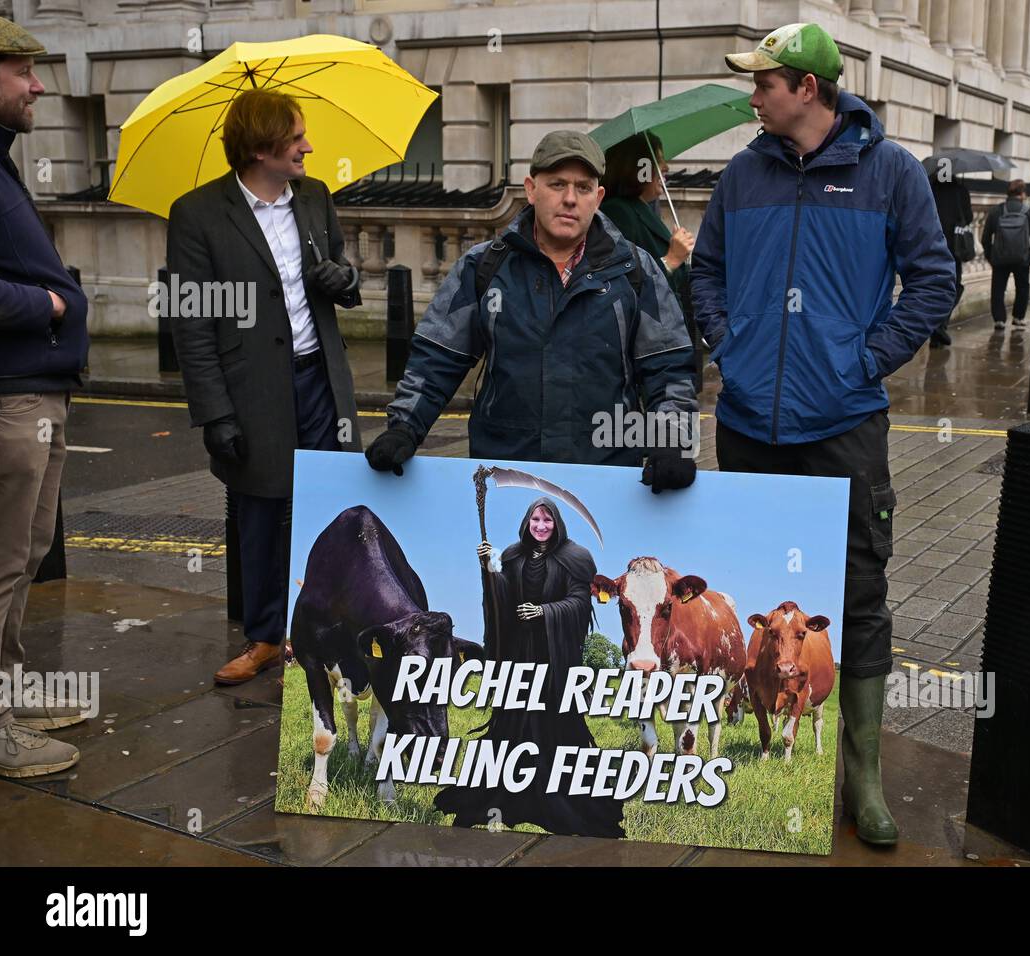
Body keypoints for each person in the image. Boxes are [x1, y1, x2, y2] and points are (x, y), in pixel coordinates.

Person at [691, 22, 957, 846]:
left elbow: (935, 278)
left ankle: (863, 777)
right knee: (760, 591)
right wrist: (726, 341)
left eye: (764, 83)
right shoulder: (743, 173)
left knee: (859, 595)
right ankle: (757, 744)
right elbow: (707, 269)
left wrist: (864, 360)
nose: (752, 96)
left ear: (807, 89)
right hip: (747, 426)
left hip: (842, 425)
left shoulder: (891, 172)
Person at [365, 131, 698, 490]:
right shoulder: (483, 267)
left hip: (605, 477)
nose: (570, 199)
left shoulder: (635, 270)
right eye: (557, 184)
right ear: (531, 189)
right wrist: (404, 427)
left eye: (583, 188)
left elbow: (668, 367)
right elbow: (437, 358)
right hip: (505, 473)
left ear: (598, 197)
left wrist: (672, 441)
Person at [167, 88, 363, 685]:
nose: (308, 146)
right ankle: (262, 638)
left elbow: (346, 286)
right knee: (260, 513)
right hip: (252, 393)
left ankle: (331, 629)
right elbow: (191, 322)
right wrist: (215, 413)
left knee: (332, 507)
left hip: (321, 382)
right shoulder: (198, 214)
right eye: (295, 138)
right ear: (259, 149)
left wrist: (342, 277)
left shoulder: (314, 198)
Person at [0, 17, 92, 777]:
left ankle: (8, 691)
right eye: (22, 69)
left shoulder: (1, 164)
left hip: (36, 391)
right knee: (1, 559)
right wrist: (49, 307)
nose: (36, 85)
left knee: (25, 553)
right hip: (10, 398)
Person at [433, 497, 626, 836]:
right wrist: (490, 570)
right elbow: (502, 601)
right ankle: (504, 795)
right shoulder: (512, 555)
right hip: (518, 654)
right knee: (512, 723)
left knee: (557, 725)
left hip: (554, 657)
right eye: (535, 519)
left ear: (557, 524)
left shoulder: (576, 557)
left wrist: (545, 612)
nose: (540, 525)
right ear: (527, 521)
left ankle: (563, 801)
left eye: (547, 520)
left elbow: (580, 603)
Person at [600, 132, 701, 391]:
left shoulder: (642, 208)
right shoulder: (619, 212)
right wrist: (670, 259)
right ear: (637, 168)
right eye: (657, 162)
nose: (665, 168)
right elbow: (626, 283)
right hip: (648, 350)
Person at [982, 178, 1030, 329]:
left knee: (998, 288)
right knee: (1022, 287)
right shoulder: (1028, 211)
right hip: (1022, 258)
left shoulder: (997, 210)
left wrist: (990, 256)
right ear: (1022, 194)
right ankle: (1018, 317)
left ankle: (999, 320)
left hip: (1000, 257)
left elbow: (985, 237)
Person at [927, 170, 973, 347]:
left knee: (932, 287)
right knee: (954, 287)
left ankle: (937, 328)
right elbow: (968, 218)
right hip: (954, 248)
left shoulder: (930, 187)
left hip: (932, 245)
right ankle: (939, 325)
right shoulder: (960, 190)